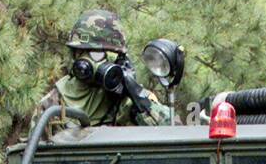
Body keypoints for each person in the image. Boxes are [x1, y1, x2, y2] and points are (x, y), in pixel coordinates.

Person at [38, 8, 171, 127]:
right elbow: (35, 151)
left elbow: (175, 134)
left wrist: (136, 93)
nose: (87, 60)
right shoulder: (54, 102)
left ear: (117, 58)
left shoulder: (127, 100)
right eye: (81, 52)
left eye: (97, 53)